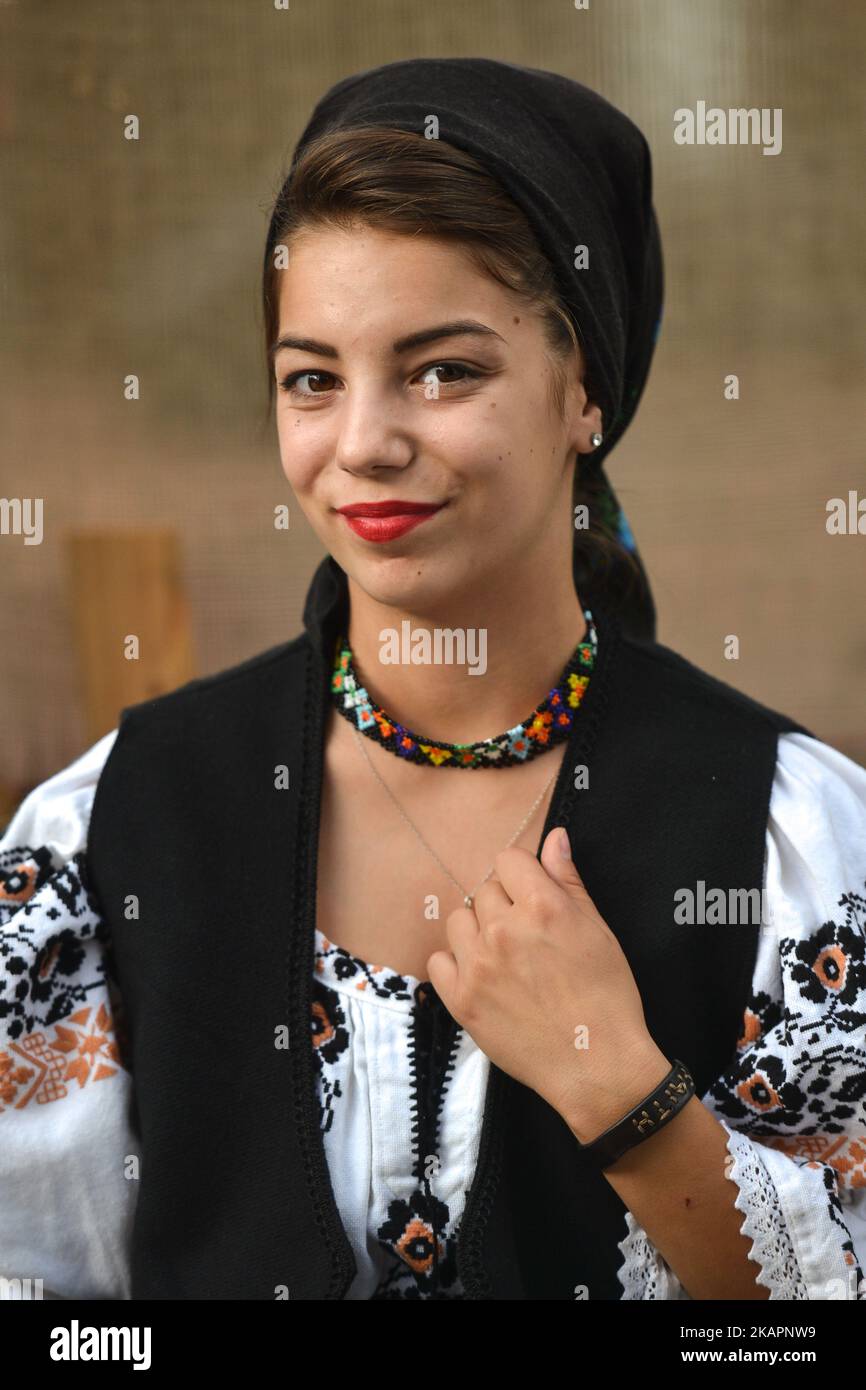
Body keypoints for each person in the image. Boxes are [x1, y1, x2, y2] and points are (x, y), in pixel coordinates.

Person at [2, 58, 865, 1302]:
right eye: (312, 377)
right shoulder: (111, 831)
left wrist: (622, 1091)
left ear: (584, 392)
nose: (362, 443)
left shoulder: (792, 844)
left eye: (443, 370)